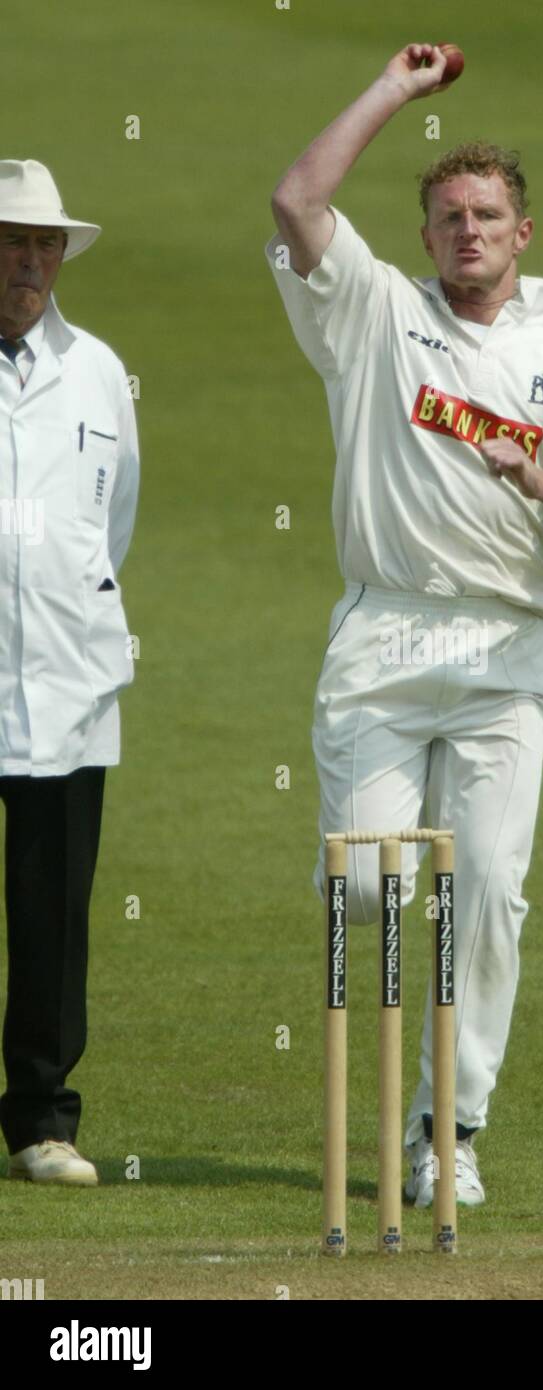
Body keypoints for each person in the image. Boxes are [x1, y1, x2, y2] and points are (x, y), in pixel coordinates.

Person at [266, 44, 543, 1206]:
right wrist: (396, 87)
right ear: (427, 233)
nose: (465, 232)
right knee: (366, 896)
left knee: (488, 890)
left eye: (485, 214)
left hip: (503, 658)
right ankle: (410, 1082)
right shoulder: (373, 315)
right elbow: (298, 199)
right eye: (445, 215)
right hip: (383, 642)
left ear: (522, 234)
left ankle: (447, 1125)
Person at [0, 159, 139, 1185]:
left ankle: (42, 1119)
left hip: (67, 675)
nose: (30, 260)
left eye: (44, 243)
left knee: (53, 908)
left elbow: (112, 518)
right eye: (12, 241)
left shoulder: (96, 368)